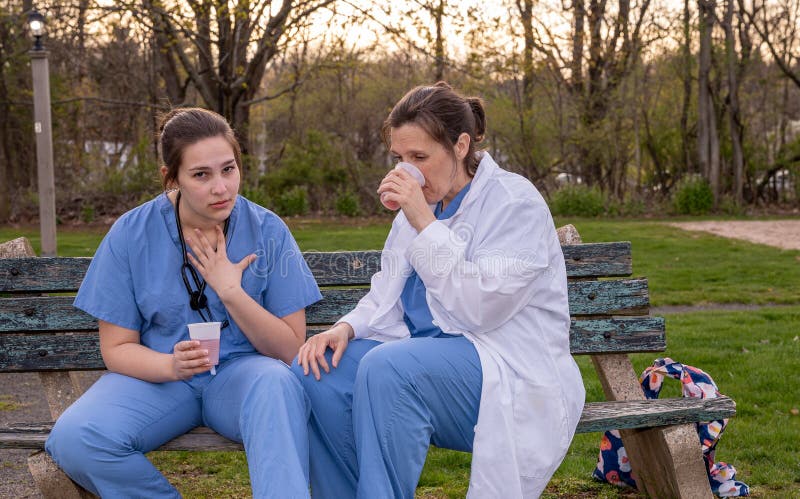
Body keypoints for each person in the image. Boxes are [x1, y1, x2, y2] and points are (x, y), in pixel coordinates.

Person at [292, 82, 586, 498]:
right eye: (399, 158)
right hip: (420, 367)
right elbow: (384, 295)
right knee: (318, 370)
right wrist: (344, 329)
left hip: (505, 370)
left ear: (461, 145)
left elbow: (480, 308)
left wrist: (423, 223)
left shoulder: (514, 202)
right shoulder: (418, 209)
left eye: (419, 157)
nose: (407, 170)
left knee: (389, 367)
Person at [46, 108, 322, 498]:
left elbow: (292, 349)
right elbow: (116, 348)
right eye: (201, 175)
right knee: (75, 438)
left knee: (278, 387)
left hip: (243, 377)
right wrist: (170, 365)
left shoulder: (269, 230)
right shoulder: (131, 233)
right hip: (162, 381)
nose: (221, 188)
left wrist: (231, 292)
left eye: (228, 169)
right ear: (170, 178)